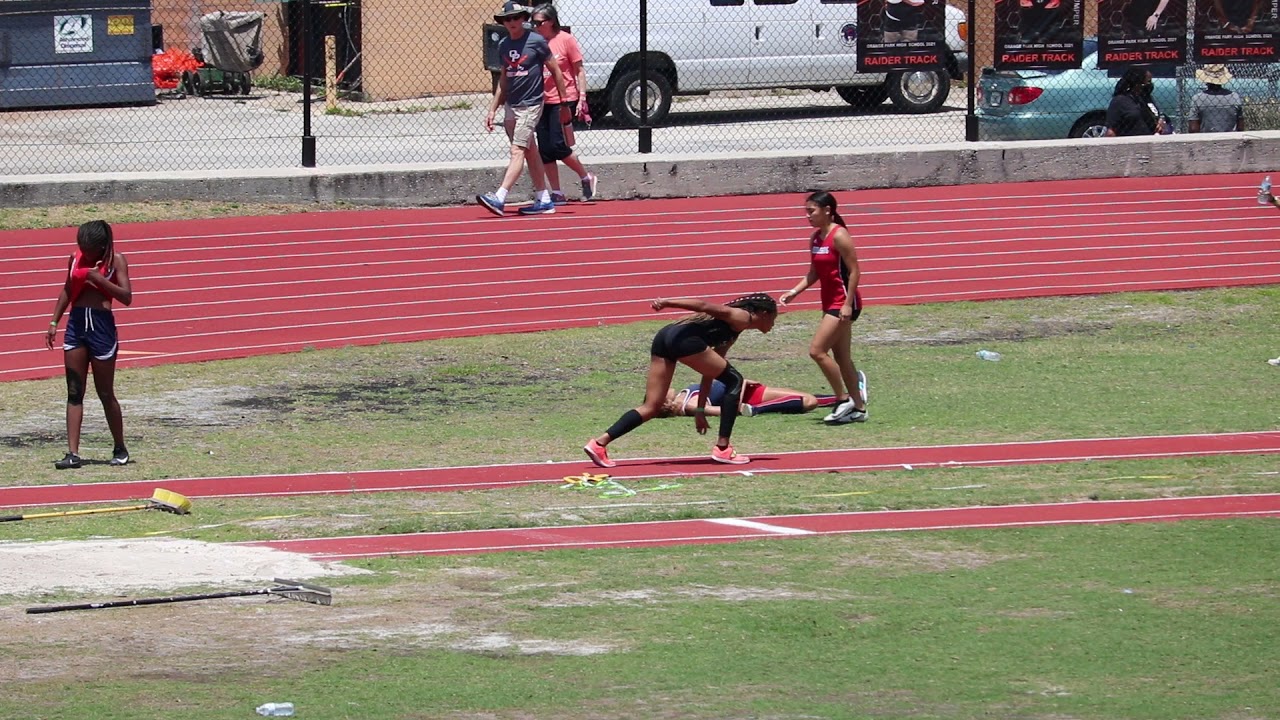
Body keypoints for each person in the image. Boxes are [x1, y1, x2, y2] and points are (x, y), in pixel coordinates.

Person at [584, 294, 779, 467]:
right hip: (683, 340)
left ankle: (599, 444)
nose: (773, 324)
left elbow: (709, 373)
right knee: (735, 382)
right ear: (763, 313)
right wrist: (668, 302)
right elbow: (703, 305)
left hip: (665, 336)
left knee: (652, 406)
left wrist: (701, 409)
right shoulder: (741, 317)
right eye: (773, 318)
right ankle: (723, 448)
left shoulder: (731, 334)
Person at [43, 220, 133, 469]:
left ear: (102, 247)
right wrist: (54, 321)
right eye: (80, 245)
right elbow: (68, 289)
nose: (82, 250)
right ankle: (72, 453)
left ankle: (120, 447)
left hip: (101, 327)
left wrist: (98, 279)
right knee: (74, 391)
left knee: (105, 392)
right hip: (77, 325)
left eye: (87, 247)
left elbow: (127, 297)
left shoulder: (116, 260)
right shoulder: (75, 257)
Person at [476, 1, 572, 217]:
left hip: (531, 104)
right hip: (512, 105)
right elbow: (503, 79)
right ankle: (544, 199)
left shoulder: (536, 41)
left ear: (523, 19)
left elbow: (556, 71)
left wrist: (564, 102)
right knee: (530, 151)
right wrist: (493, 109)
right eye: (507, 19)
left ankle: (500, 197)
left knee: (517, 149)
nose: (511, 22)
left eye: (516, 18)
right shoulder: (502, 45)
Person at [781, 191, 868, 426]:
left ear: (827, 210)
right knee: (842, 357)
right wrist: (794, 292)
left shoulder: (839, 236)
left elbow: (854, 271)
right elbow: (813, 273)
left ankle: (843, 399)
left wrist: (848, 304)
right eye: (806, 211)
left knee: (817, 351)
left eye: (812, 211)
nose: (808, 216)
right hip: (829, 303)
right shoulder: (816, 238)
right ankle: (859, 408)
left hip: (843, 303)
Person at [530, 4, 598, 205]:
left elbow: (579, 70)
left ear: (550, 21)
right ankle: (557, 192)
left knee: (559, 145)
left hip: (563, 98)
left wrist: (582, 97)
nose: (534, 26)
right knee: (545, 149)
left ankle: (586, 176)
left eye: (538, 22)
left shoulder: (565, 40)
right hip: (541, 99)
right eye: (533, 23)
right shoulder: (535, 41)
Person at [662, 379, 839, 418]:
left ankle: (846, 399)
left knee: (804, 396)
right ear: (665, 401)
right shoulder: (690, 404)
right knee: (809, 401)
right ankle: (758, 410)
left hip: (746, 391)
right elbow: (728, 411)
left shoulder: (682, 395)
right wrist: (742, 384)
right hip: (749, 398)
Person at [1103, 67, 1168, 136]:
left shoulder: (1146, 98)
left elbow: (1156, 114)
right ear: (1136, 84)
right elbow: (1111, 131)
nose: (1149, 85)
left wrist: (1161, 120)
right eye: (1147, 82)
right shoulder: (1119, 101)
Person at [1189, 65, 1243, 133]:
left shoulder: (1197, 99)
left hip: (1206, 139)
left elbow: (1193, 128)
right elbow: (1240, 126)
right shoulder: (1235, 97)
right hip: (1230, 137)